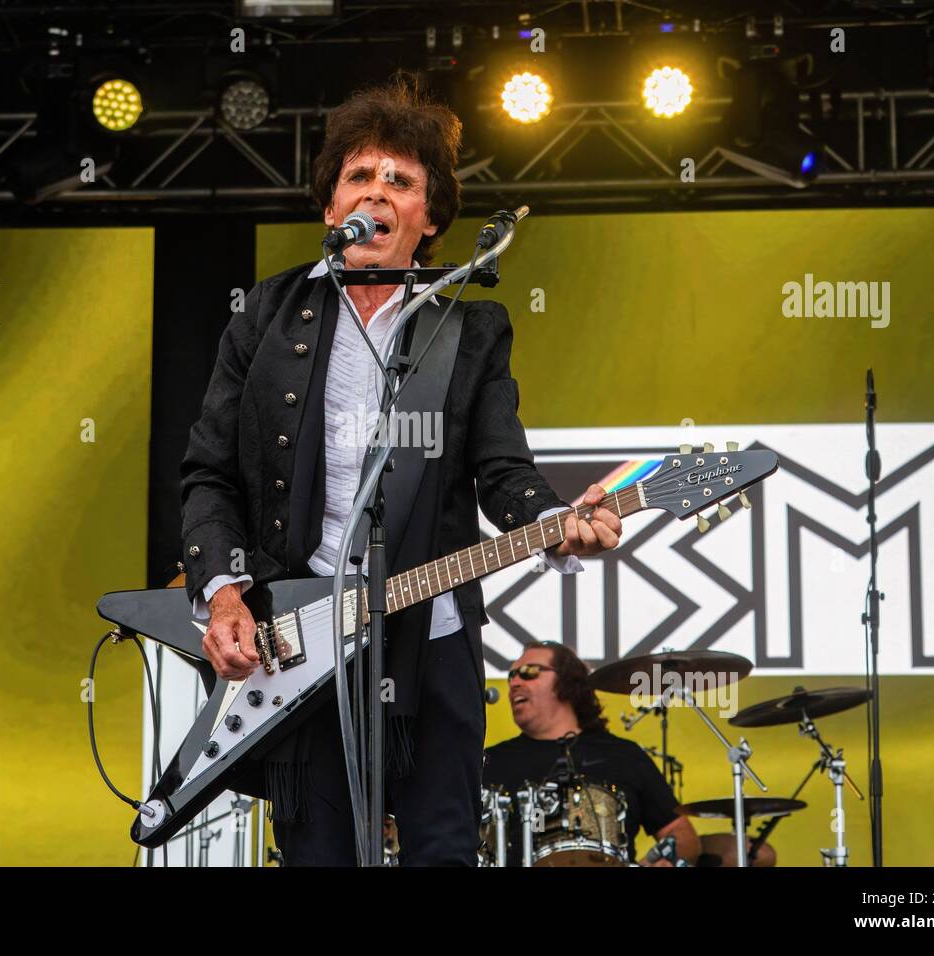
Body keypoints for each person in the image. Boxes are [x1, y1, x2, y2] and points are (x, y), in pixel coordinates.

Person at [179, 75, 624, 866]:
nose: (376, 191)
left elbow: (502, 470)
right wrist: (223, 593)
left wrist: (557, 524)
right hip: (304, 643)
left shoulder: (470, 326)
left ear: (430, 219)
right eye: (359, 176)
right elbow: (209, 473)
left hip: (435, 637)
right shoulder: (266, 317)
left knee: (442, 852)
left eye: (401, 180)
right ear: (330, 208)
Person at [483, 642, 700, 866]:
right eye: (511, 676)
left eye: (529, 673)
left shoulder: (622, 755)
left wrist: (663, 862)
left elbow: (682, 835)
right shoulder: (489, 762)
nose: (515, 683)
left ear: (566, 682)